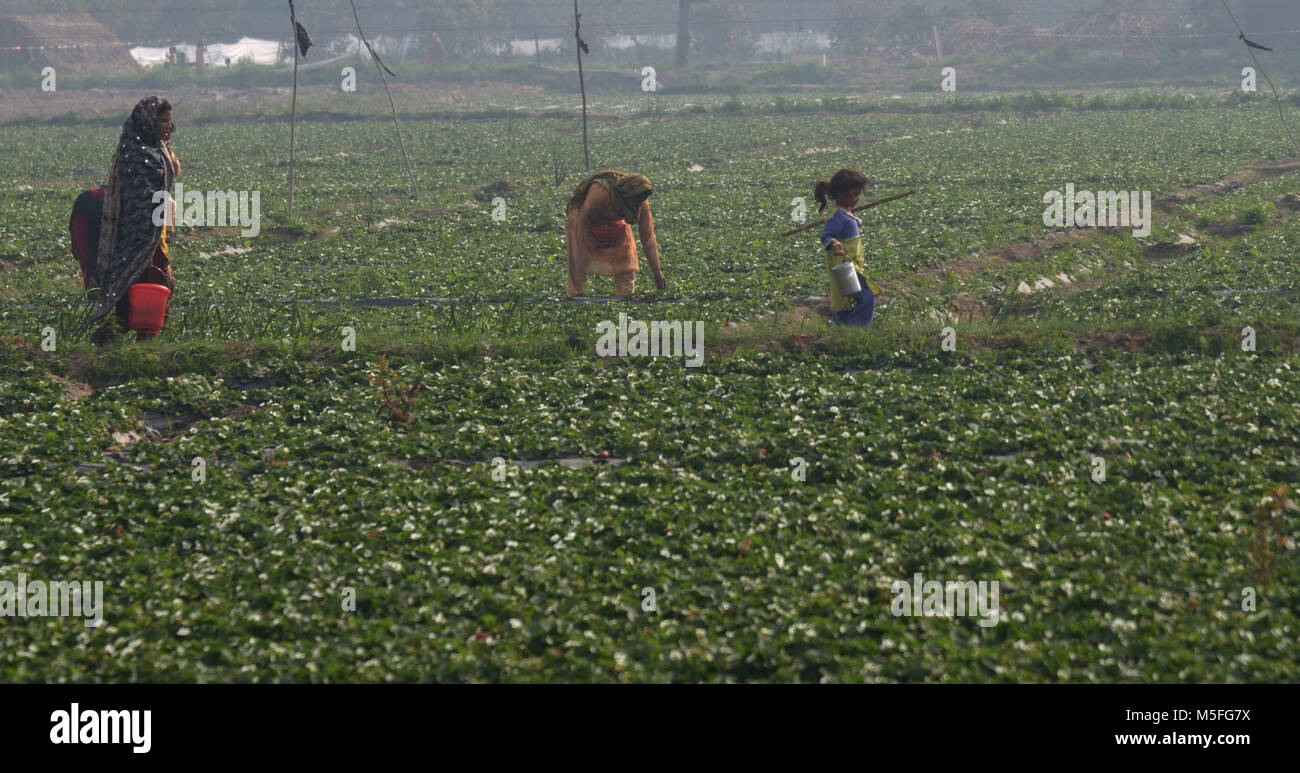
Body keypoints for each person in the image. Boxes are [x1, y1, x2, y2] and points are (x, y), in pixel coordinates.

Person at [87, 97, 180, 344]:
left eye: (170, 122)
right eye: (163, 121)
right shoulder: (134, 152)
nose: (168, 127)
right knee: (139, 290)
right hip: (137, 233)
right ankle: (110, 341)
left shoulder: (157, 148)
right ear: (148, 121)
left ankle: (140, 344)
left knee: (157, 289)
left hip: (155, 232)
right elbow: (140, 196)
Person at [565, 170, 664, 297]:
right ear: (627, 195)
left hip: (613, 224)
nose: (637, 205)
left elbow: (648, 239)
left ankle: (624, 300)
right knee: (579, 263)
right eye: (635, 200)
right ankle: (576, 297)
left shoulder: (640, 204)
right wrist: (593, 241)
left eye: (641, 201)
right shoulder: (600, 193)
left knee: (626, 257)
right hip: (582, 219)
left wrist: (657, 272)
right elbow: (585, 219)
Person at [815, 168, 875, 327]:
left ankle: (841, 330)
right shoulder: (838, 216)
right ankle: (855, 329)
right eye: (855, 195)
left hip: (852, 264)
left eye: (858, 195)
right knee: (866, 298)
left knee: (847, 300)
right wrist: (834, 243)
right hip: (845, 266)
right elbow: (826, 236)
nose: (857, 198)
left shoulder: (846, 212)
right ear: (841, 195)